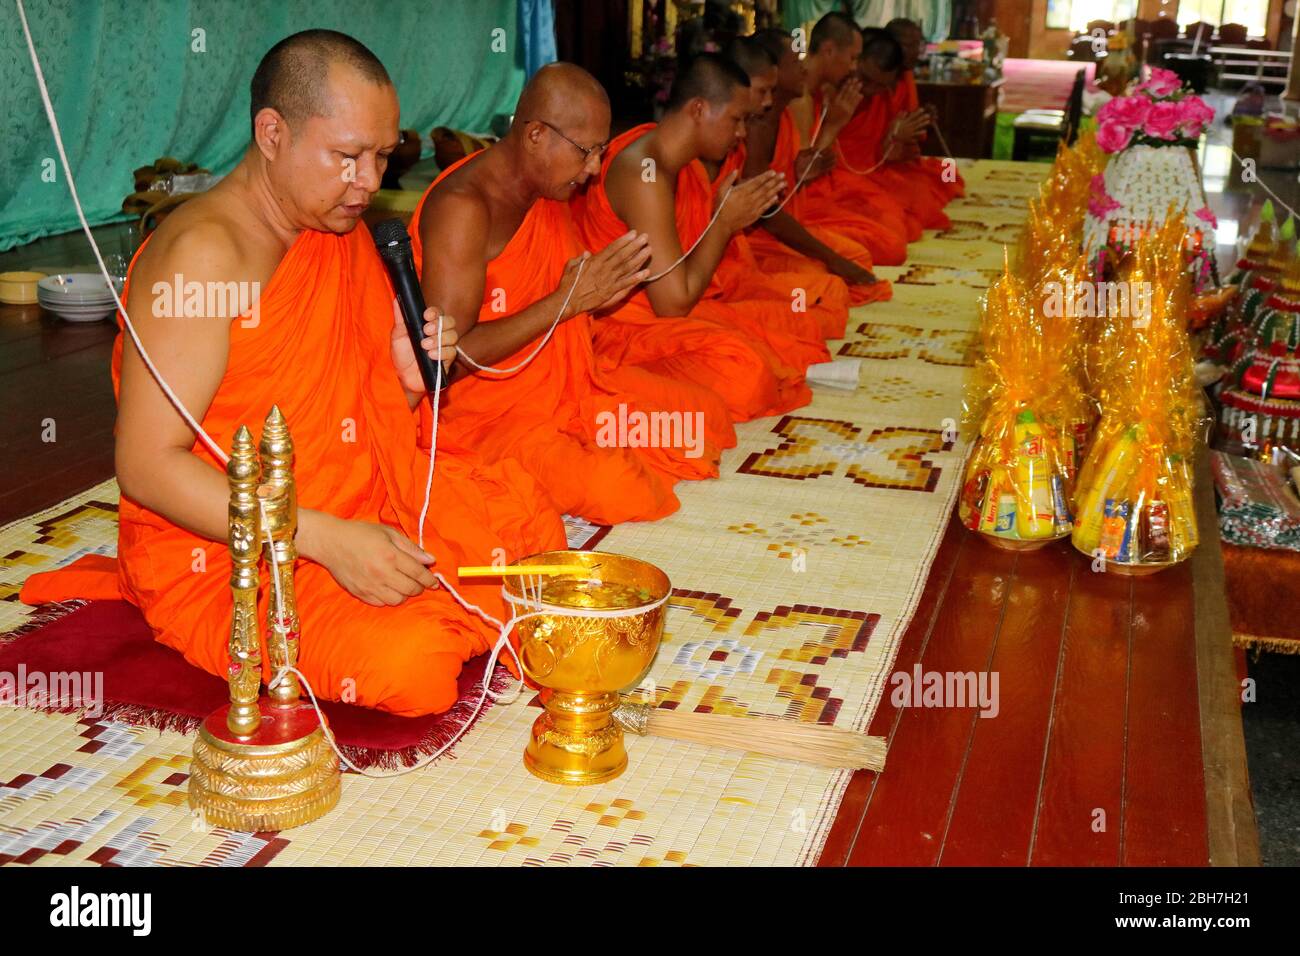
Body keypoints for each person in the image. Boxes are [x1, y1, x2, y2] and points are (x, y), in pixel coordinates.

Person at [22, 30, 566, 717]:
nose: (369, 182)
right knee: (414, 667)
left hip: (349, 506)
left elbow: (355, 417)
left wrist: (403, 379)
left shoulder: (330, 231)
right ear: (272, 133)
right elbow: (149, 467)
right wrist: (328, 541)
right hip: (230, 554)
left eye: (381, 156)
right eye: (346, 156)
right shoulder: (203, 258)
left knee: (529, 530)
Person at [408, 63, 734, 526]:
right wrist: (565, 304)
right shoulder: (464, 209)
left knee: (704, 421)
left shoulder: (548, 190)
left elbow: (568, 295)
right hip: (485, 420)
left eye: (601, 151)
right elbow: (446, 362)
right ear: (536, 134)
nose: (594, 169)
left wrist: (599, 292)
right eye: (586, 152)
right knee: (623, 491)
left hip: (567, 389)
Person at [571, 53, 818, 421]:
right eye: (736, 119)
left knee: (789, 339)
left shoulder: (686, 168)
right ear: (699, 109)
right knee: (746, 377)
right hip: (618, 327)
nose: (741, 133)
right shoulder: (645, 173)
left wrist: (724, 218)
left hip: (667, 310)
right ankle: (618, 384)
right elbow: (672, 303)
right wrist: (724, 224)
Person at [736, 30, 892, 306]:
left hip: (786, 225)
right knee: (828, 286)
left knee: (857, 260)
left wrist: (810, 164)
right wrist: (831, 259)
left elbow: (789, 186)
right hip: (753, 242)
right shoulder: (753, 126)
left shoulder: (783, 115)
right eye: (796, 62)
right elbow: (766, 213)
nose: (804, 68)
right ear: (772, 71)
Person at [788, 12, 916, 263]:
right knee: (889, 245)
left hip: (823, 191)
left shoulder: (822, 90)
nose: (854, 67)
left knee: (897, 223)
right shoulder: (799, 97)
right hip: (800, 205)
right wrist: (835, 125)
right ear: (828, 50)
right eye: (853, 58)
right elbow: (801, 176)